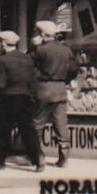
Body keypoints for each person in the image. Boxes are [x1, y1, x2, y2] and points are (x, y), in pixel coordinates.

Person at [0, 30, 43, 171]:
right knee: (28, 130)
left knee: (2, 131)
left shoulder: (3, 60)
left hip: (8, 98)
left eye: (0, 42)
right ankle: (38, 158)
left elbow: (0, 84)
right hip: (25, 98)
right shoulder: (27, 59)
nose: (0, 45)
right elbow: (33, 81)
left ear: (4, 43)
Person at [32, 19, 78, 168]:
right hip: (60, 89)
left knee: (38, 123)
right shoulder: (66, 49)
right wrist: (64, 80)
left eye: (38, 33)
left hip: (44, 89)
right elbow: (73, 70)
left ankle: (38, 157)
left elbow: (29, 66)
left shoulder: (40, 50)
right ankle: (64, 157)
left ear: (43, 34)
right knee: (61, 124)